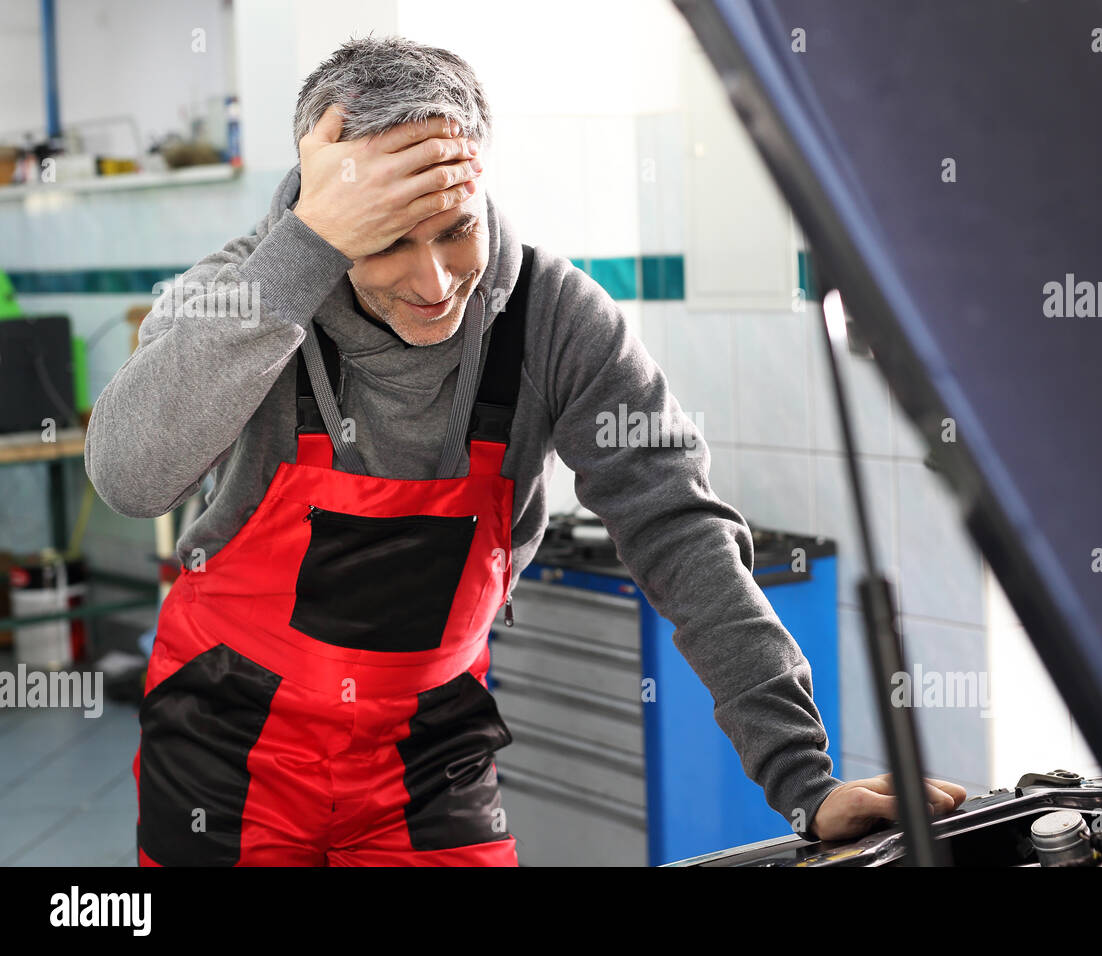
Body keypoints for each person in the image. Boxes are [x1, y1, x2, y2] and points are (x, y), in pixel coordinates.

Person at [84, 36, 965, 867]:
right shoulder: (241, 300)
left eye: (455, 229)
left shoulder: (557, 320)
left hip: (427, 757)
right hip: (225, 748)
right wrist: (302, 257)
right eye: (388, 238)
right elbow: (129, 478)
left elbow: (680, 532)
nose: (435, 284)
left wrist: (804, 780)